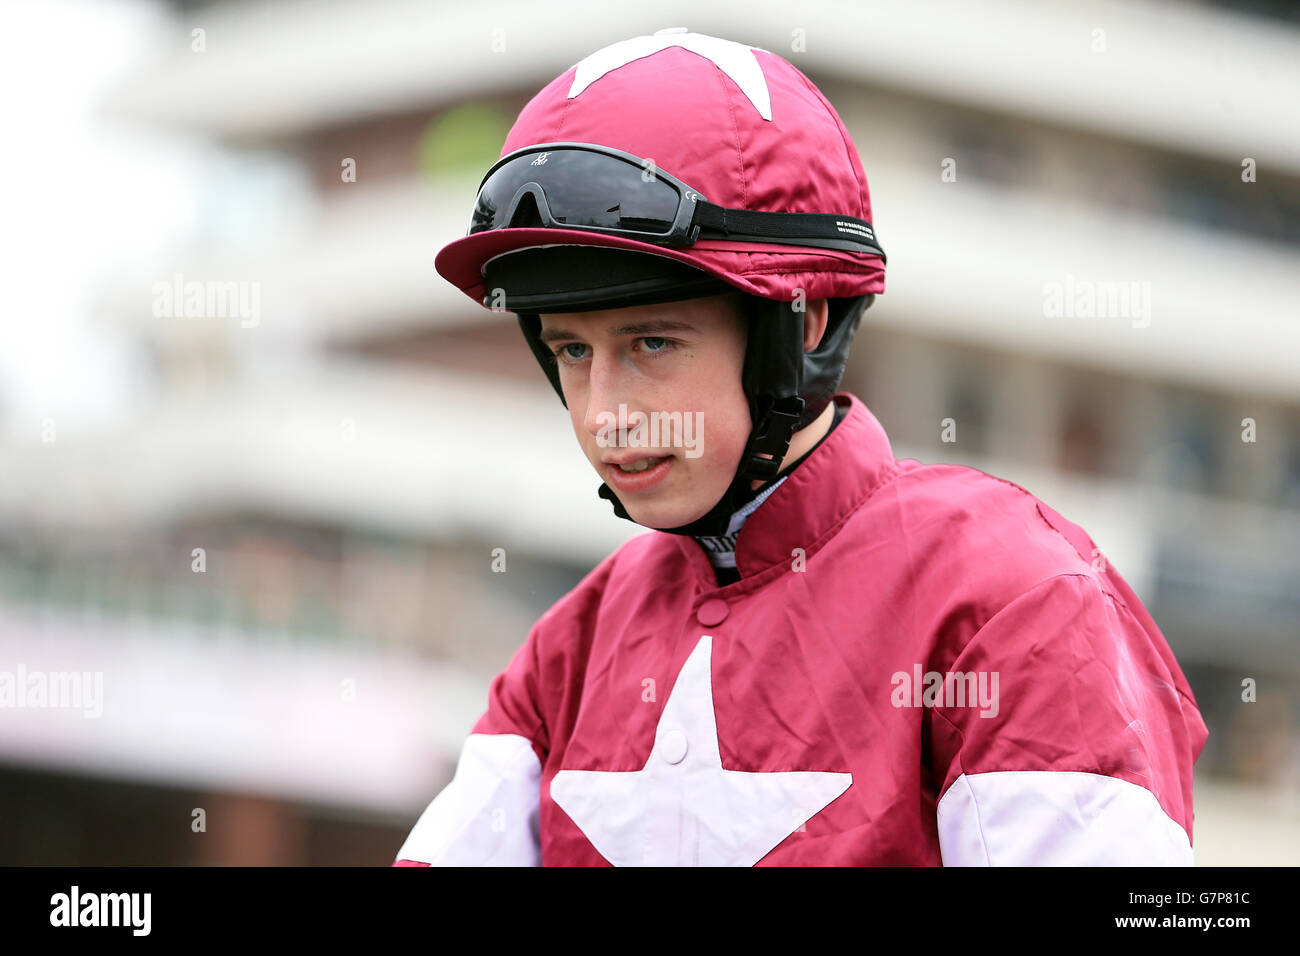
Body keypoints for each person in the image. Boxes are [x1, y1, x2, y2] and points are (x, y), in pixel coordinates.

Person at [394, 28, 1208, 866]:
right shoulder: (572, 645)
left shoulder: (1016, 603)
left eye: (652, 344)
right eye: (572, 351)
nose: (607, 415)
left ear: (803, 321)